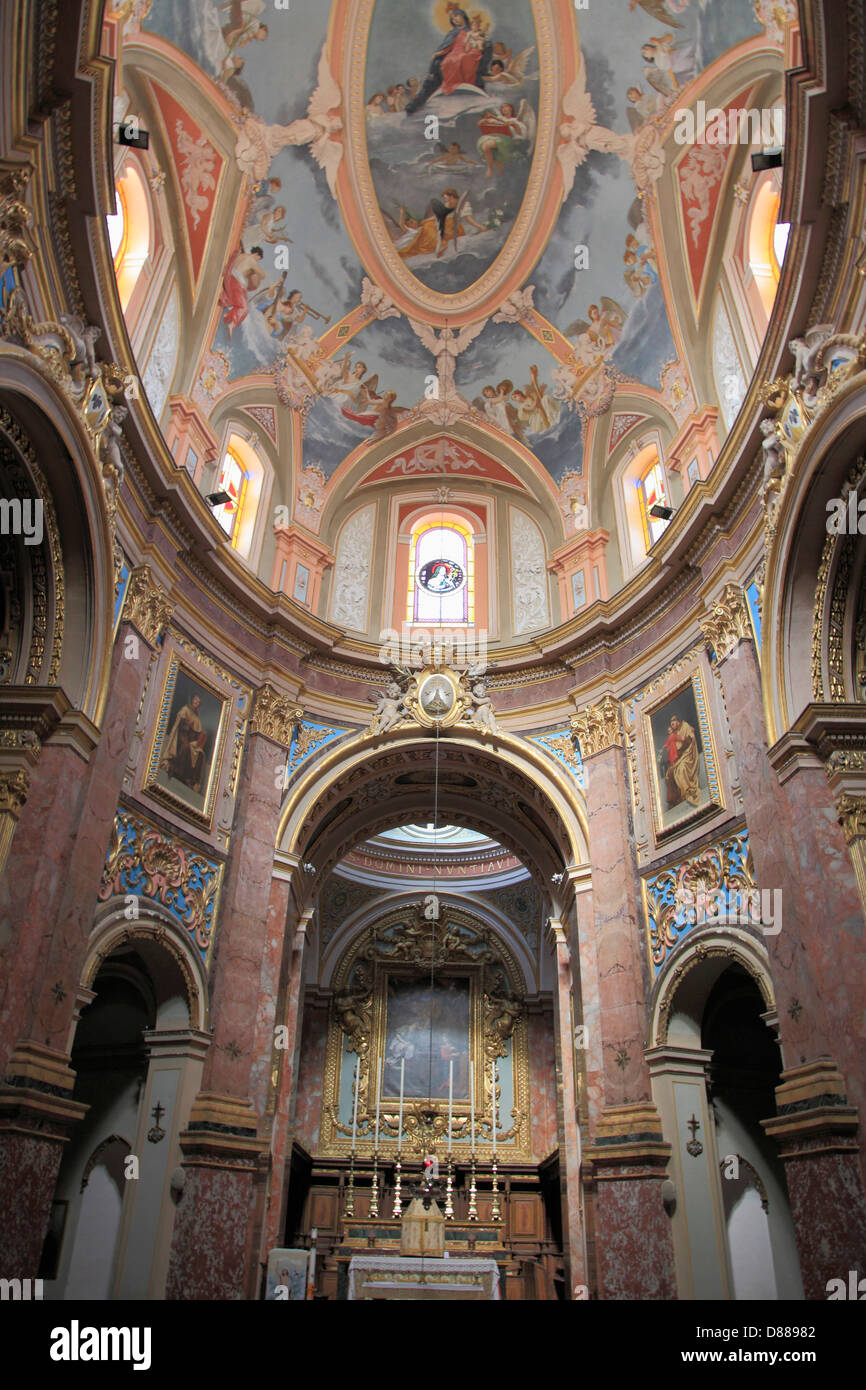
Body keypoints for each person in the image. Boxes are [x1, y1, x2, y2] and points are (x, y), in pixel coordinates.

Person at [406, 7, 489, 113]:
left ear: (463, 16)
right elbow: (446, 47)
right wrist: (437, 54)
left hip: (468, 54)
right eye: (453, 19)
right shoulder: (452, 33)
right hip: (452, 55)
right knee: (443, 66)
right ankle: (415, 105)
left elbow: (480, 42)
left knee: (460, 59)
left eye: (456, 16)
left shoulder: (472, 31)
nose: (455, 20)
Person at [161, 693, 208, 792]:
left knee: (200, 754)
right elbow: (181, 724)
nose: (197, 703)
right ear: (192, 700)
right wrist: (187, 725)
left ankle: (190, 779)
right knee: (186, 747)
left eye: (199, 702)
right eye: (196, 700)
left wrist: (200, 736)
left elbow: (195, 733)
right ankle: (177, 771)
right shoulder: (185, 709)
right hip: (181, 735)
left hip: (190, 739)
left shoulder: (197, 717)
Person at [219, 245, 265, 335]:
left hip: (229, 277)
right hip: (236, 283)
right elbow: (263, 275)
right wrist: (253, 271)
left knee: (234, 302)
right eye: (258, 259)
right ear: (256, 254)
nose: (257, 261)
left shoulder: (241, 255)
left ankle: (228, 315)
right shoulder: (252, 260)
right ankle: (231, 324)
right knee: (244, 308)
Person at [658, 714, 701, 809]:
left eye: (673, 725)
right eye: (671, 726)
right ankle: (676, 799)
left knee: (681, 769)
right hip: (679, 756)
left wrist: (681, 748)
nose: (673, 727)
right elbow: (668, 746)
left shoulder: (685, 726)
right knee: (669, 774)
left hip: (688, 754)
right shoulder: (674, 734)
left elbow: (689, 739)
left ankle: (687, 792)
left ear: (678, 722)